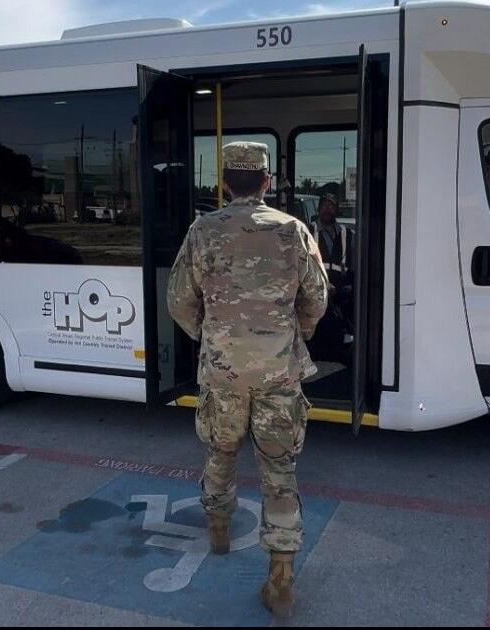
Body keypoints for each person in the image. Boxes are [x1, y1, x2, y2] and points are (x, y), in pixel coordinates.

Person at [167, 141, 329, 618]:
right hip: (278, 372)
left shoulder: (202, 231)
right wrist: (293, 333)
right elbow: (317, 299)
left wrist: (212, 334)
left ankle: (218, 532)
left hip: (223, 372)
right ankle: (281, 578)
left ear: (223, 183)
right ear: (266, 181)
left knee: (220, 452)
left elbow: (178, 300)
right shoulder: (292, 230)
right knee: (279, 469)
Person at [308, 193, 354, 363]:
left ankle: (345, 340)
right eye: (324, 206)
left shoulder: (346, 233)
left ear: (337, 210)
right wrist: (324, 285)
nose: (327, 209)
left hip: (341, 288)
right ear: (319, 209)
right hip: (315, 285)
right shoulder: (309, 230)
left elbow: (354, 265)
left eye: (331, 206)